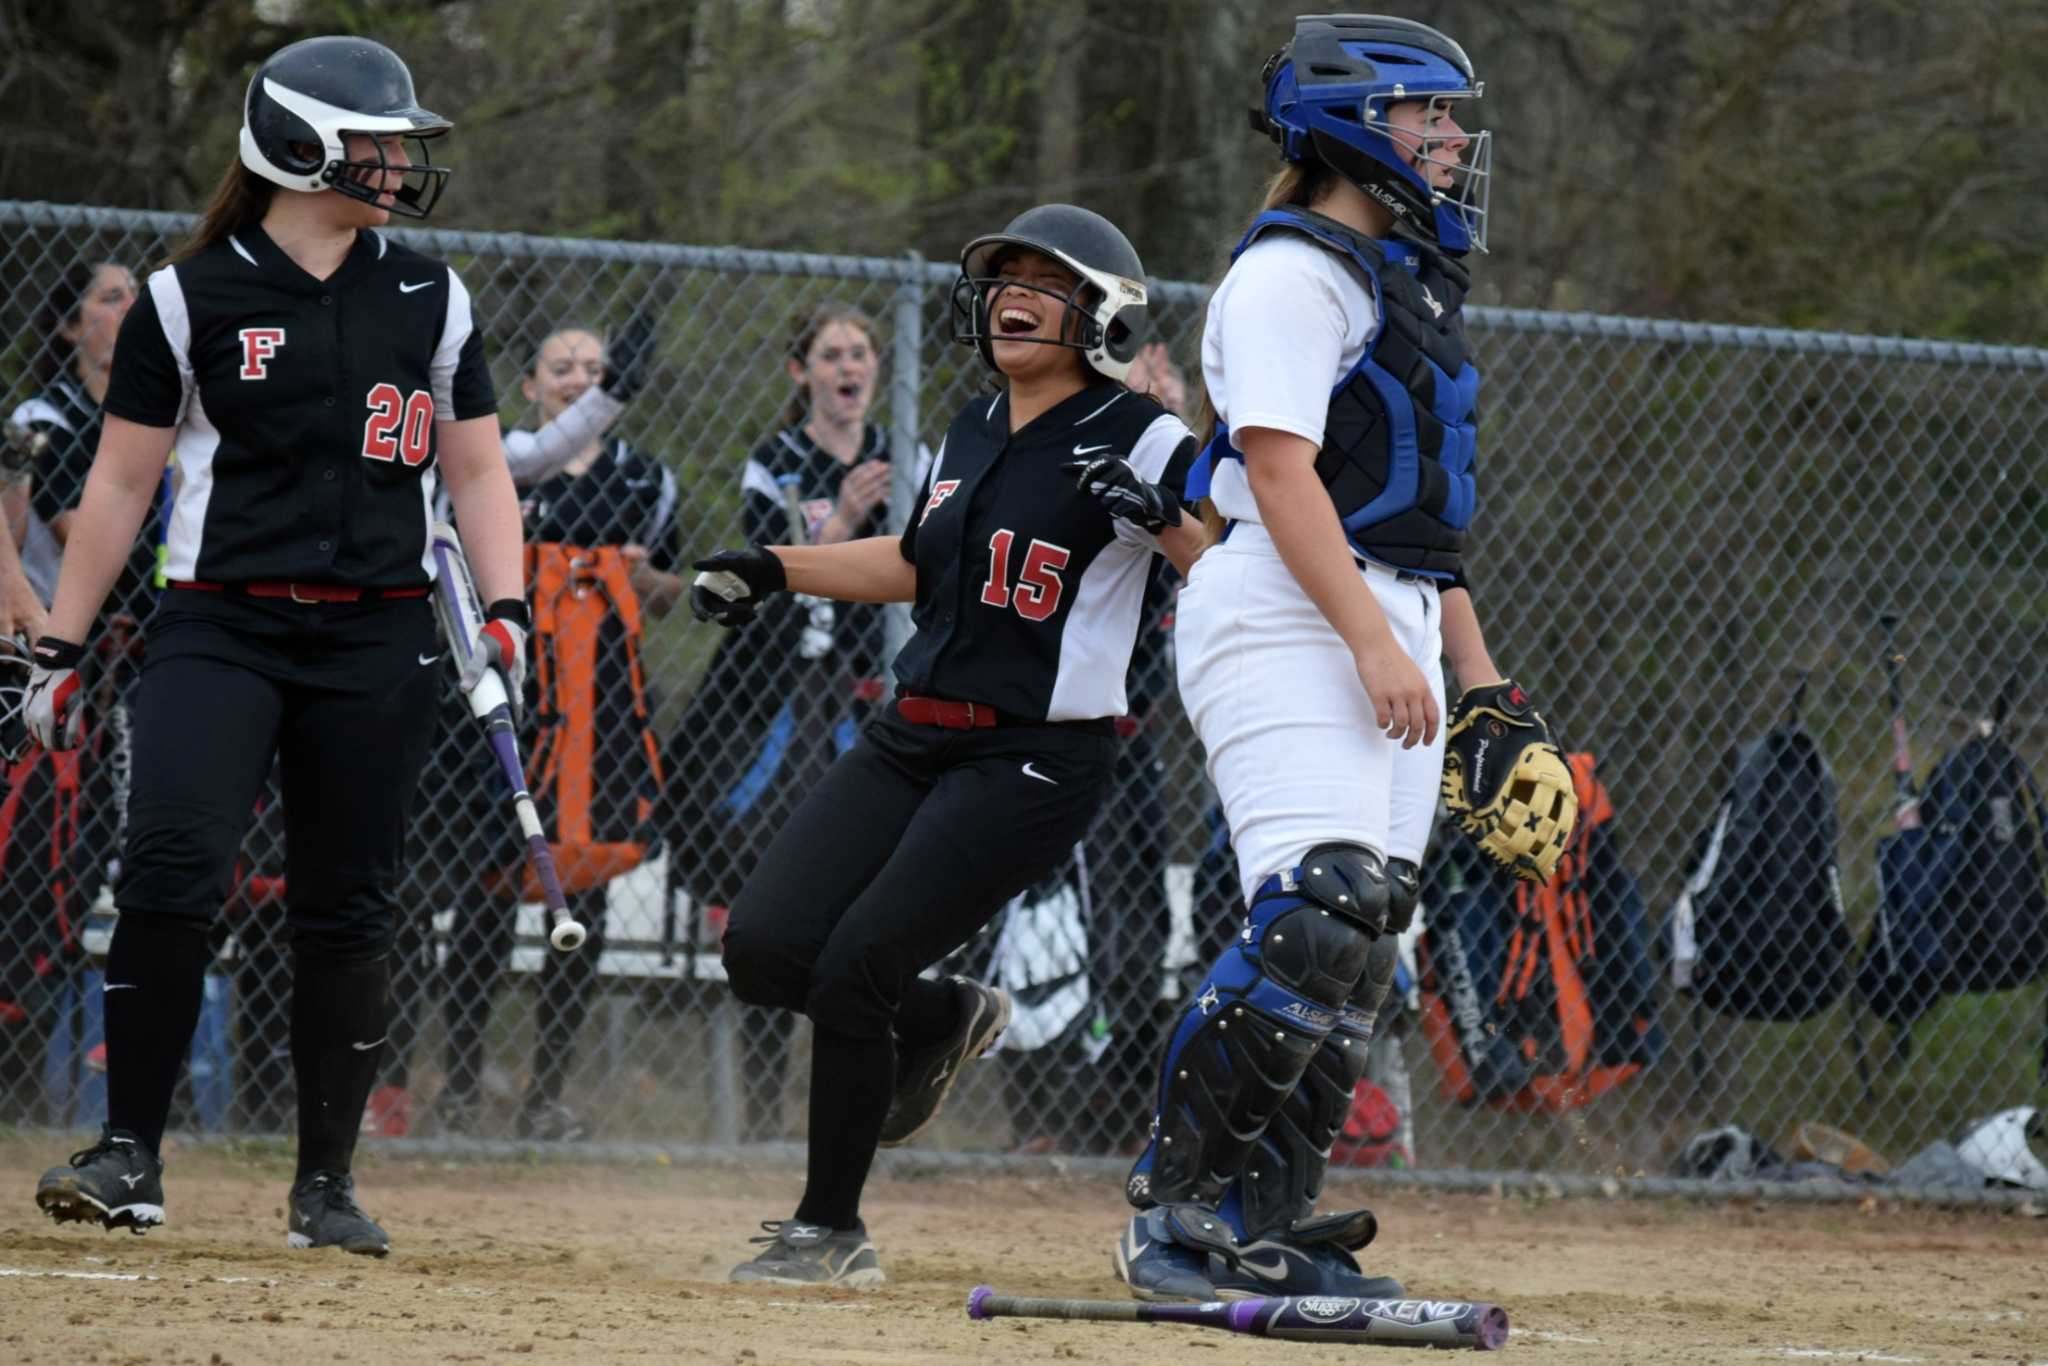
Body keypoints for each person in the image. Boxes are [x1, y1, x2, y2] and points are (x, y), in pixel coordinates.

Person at [24, 36, 526, 1258]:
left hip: (376, 635)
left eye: (405, 145)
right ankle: (129, 1152)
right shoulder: (185, 298)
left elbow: (475, 469)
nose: (401, 163)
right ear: (299, 145)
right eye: (378, 142)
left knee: (349, 908)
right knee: (172, 867)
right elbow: (122, 481)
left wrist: (505, 614)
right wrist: (57, 643)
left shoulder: (431, 296)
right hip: (220, 625)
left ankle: (325, 1181)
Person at [690, 202, 1204, 1285]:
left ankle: (828, 1230)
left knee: (856, 960)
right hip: (911, 732)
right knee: (767, 946)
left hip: (1033, 758)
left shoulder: (1147, 433)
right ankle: (950, 1013)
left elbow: (1230, 579)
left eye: (1044, 280)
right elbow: (922, 564)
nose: (1013, 294)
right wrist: (776, 565)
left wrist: (1165, 517)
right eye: (1003, 276)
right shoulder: (970, 428)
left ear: (1102, 312)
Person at [1113, 15, 1500, 1302]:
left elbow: (1418, 529)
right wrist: (1361, 641)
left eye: (1448, 120)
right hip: (1285, 612)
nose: (1448, 141)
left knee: (1363, 936)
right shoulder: (1293, 272)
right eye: (1424, 116)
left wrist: (1481, 685)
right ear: (1352, 123)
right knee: (1314, 907)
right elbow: (1274, 473)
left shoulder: (1396, 280)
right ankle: (1171, 1217)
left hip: (1380, 611)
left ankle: (1259, 1213)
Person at [426, 321, 680, 1141]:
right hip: (511, 693)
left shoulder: (646, 479)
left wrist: (643, 579)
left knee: (590, 886)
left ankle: (548, 1099)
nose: (578, 378)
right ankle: (460, 1088)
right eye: (560, 367)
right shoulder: (501, 462)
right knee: (487, 892)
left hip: (601, 702)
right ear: (531, 386)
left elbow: (666, 586)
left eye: (593, 368)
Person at [662, 302, 892, 1141]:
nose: (847, 367)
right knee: (772, 897)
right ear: (802, 374)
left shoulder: (908, 460)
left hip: (862, 696)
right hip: (779, 706)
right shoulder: (776, 462)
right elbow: (774, 569)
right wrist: (842, 524)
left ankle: (859, 1113)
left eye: (860, 352)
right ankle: (760, 1116)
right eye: (830, 354)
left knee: (864, 906)